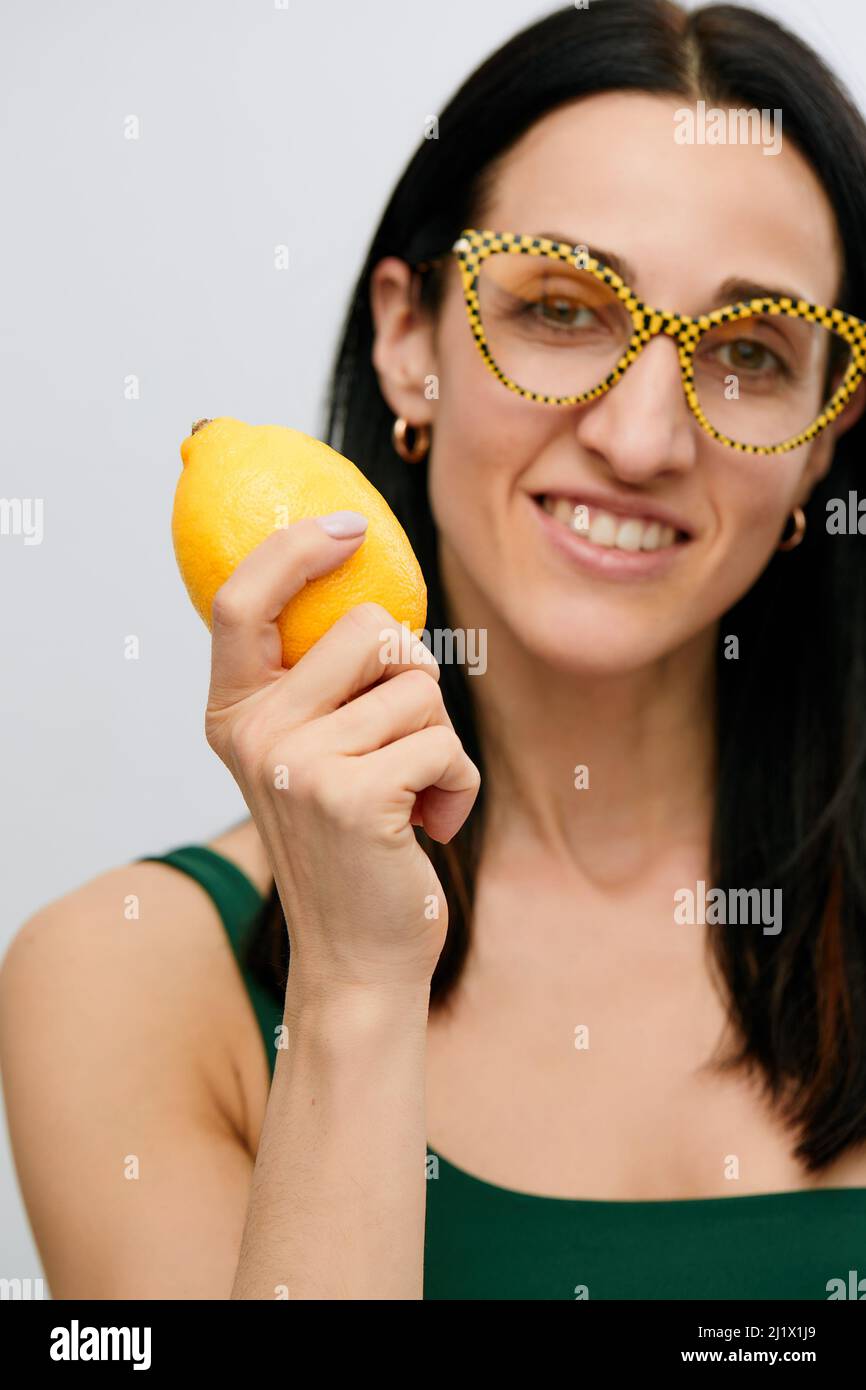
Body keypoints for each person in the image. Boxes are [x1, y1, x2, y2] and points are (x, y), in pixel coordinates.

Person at [4, 0, 866, 1300]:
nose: (640, 439)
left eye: (745, 352)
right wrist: (354, 986)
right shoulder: (129, 975)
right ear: (409, 341)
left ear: (818, 431)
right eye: (565, 309)